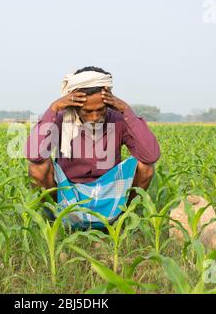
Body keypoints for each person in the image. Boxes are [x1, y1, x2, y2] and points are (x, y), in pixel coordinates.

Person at [24, 66, 161, 229]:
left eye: (100, 110)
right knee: (38, 167)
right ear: (74, 104)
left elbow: (151, 156)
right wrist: (53, 109)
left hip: (109, 191)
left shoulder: (118, 119)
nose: (95, 117)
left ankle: (123, 219)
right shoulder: (61, 119)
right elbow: (34, 155)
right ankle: (55, 219)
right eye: (87, 111)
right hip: (69, 192)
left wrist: (126, 110)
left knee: (145, 167)